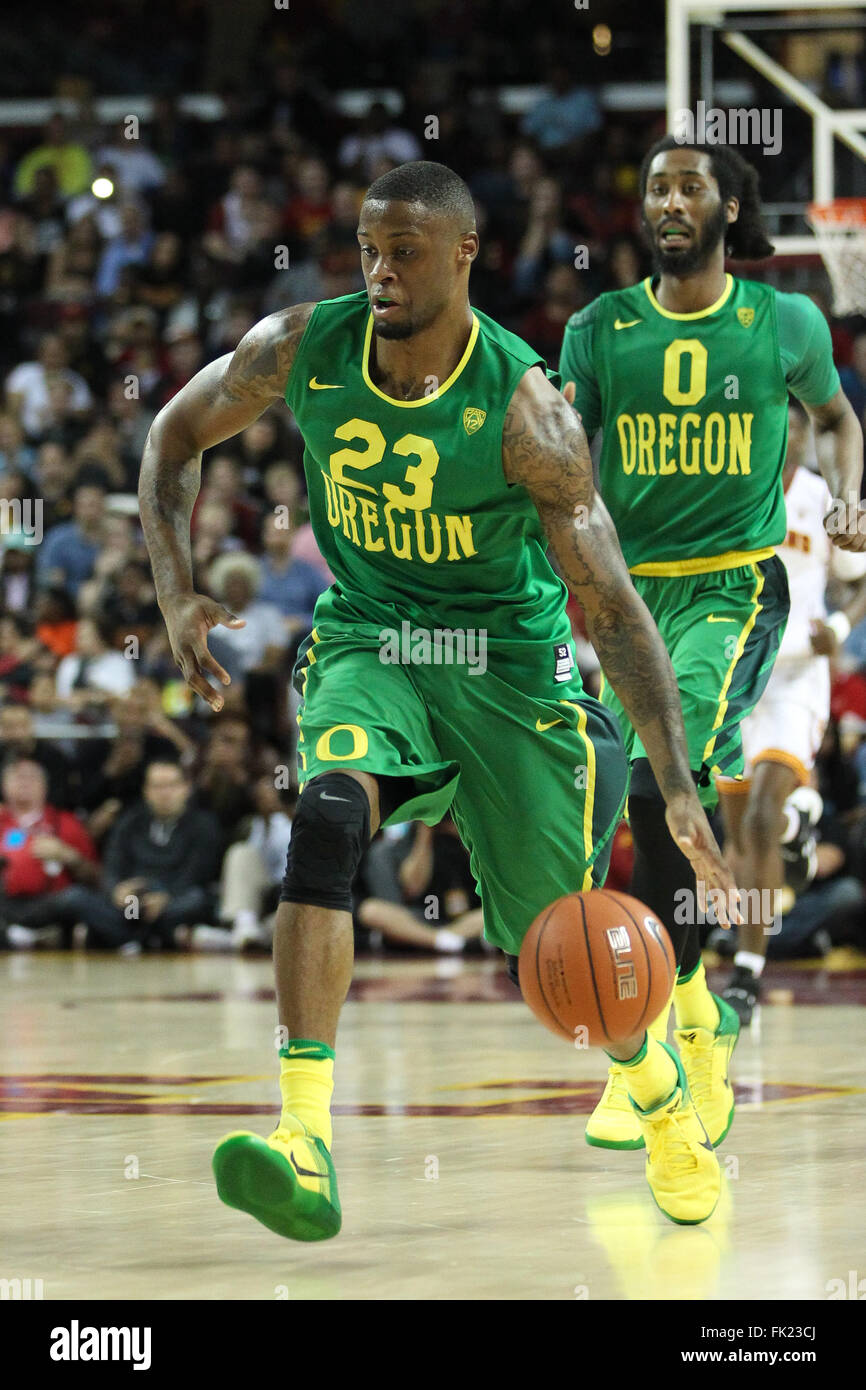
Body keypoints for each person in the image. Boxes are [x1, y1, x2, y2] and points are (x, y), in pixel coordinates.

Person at [139, 159, 736, 1239]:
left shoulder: (526, 413)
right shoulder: (298, 347)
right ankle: (304, 1136)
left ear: (463, 254)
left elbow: (609, 607)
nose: (378, 270)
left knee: (558, 948)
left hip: (507, 667)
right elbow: (170, 438)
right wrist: (177, 593)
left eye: (403, 251)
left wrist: (675, 779)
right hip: (376, 636)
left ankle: (658, 1104)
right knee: (323, 817)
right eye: (366, 248)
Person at [559, 137, 864, 1151]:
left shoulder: (783, 320)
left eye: (688, 184)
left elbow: (832, 417)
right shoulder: (598, 327)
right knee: (648, 814)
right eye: (653, 186)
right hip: (627, 598)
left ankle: (647, 1035)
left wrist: (849, 491)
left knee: (664, 783)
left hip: (734, 590)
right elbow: (563, 462)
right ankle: (695, 1019)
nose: (667, 200)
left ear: (729, 208)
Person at [716, 402, 866, 1020]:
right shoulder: (725, 495)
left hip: (798, 676)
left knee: (756, 819)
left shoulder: (824, 500)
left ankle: (749, 971)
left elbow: (857, 582)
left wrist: (838, 623)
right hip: (733, 675)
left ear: (805, 435)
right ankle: (793, 836)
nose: (787, 435)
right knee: (739, 832)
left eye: (796, 425)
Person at [58, 760, 222, 951]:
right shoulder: (131, 822)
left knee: (196, 900)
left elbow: (197, 874)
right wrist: (117, 890)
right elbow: (113, 865)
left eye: (171, 785)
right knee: (76, 898)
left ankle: (125, 937)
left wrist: (166, 897)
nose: (165, 793)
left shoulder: (203, 825)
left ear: (186, 788)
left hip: (172, 900)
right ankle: (145, 938)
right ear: (146, 791)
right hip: (133, 902)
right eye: (157, 786)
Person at [0, 756, 99, 948]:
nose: (24, 783)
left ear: (45, 786)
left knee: (76, 898)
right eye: (18, 777)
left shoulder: (65, 823)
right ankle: (18, 936)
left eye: (32, 777)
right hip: (5, 902)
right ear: (4, 785)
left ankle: (127, 940)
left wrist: (69, 856)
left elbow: (96, 877)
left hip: (49, 902)